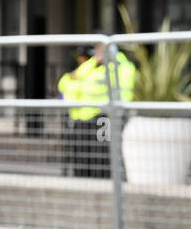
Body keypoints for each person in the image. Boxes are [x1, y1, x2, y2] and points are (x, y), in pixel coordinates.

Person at [56, 41, 137, 178]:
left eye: (101, 49)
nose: (98, 53)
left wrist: (78, 83)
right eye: (97, 49)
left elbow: (110, 89)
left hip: (104, 118)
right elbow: (64, 82)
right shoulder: (91, 65)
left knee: (102, 155)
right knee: (81, 158)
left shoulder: (122, 67)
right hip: (81, 118)